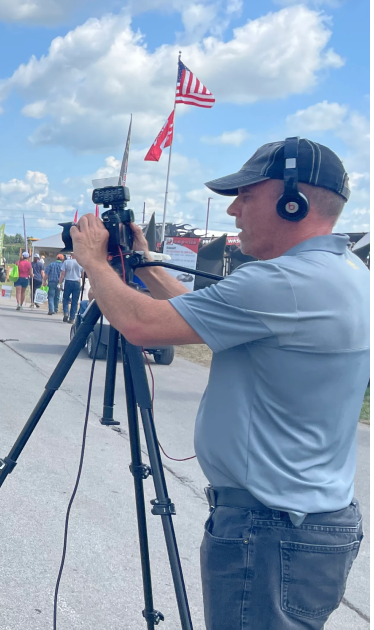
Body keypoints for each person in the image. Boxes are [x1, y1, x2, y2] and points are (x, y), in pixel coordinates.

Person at [70, 138, 366, 630]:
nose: (233, 210)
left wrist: (95, 264)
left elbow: (142, 326)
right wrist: (145, 263)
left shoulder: (281, 283)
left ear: (292, 200)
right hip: (309, 524)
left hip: (268, 531)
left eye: (246, 195)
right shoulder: (342, 272)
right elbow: (198, 312)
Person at [60, 254, 83, 322]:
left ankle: (66, 312)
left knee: (66, 298)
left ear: (71, 255)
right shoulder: (80, 262)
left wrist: (60, 282)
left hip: (68, 281)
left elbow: (63, 273)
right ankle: (72, 317)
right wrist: (82, 283)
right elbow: (83, 274)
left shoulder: (66, 262)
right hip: (77, 282)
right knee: (74, 301)